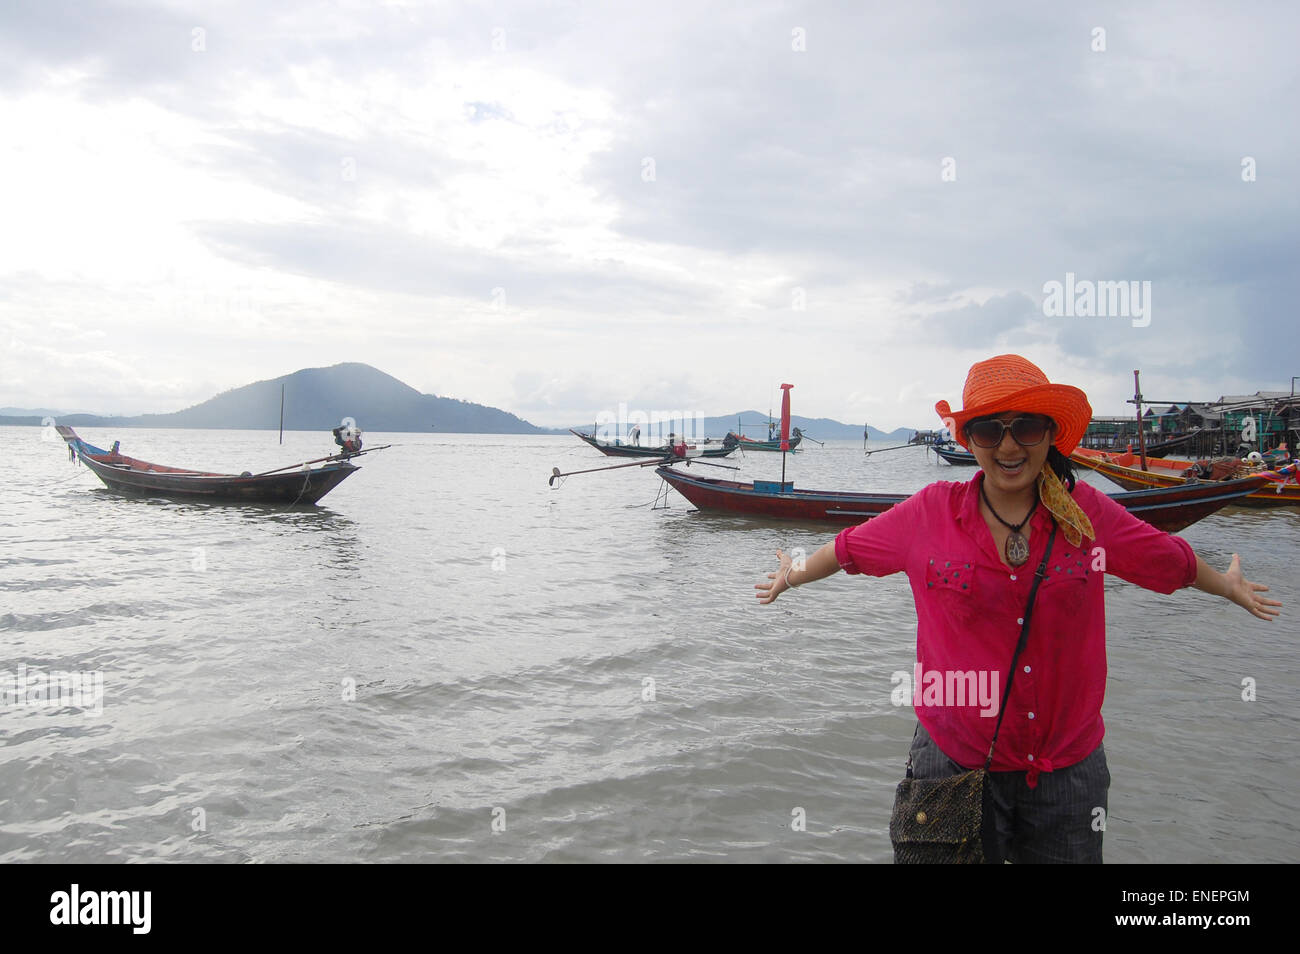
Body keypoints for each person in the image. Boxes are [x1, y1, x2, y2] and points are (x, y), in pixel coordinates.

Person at [754, 355, 1281, 863]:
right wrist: (793, 575)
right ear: (969, 440)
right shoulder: (930, 513)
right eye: (988, 430)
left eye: (1025, 427)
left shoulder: (1088, 517)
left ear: (1049, 435)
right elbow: (847, 550)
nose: (1008, 445)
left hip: (1067, 772)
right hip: (953, 757)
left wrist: (1226, 586)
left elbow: (1170, 562)